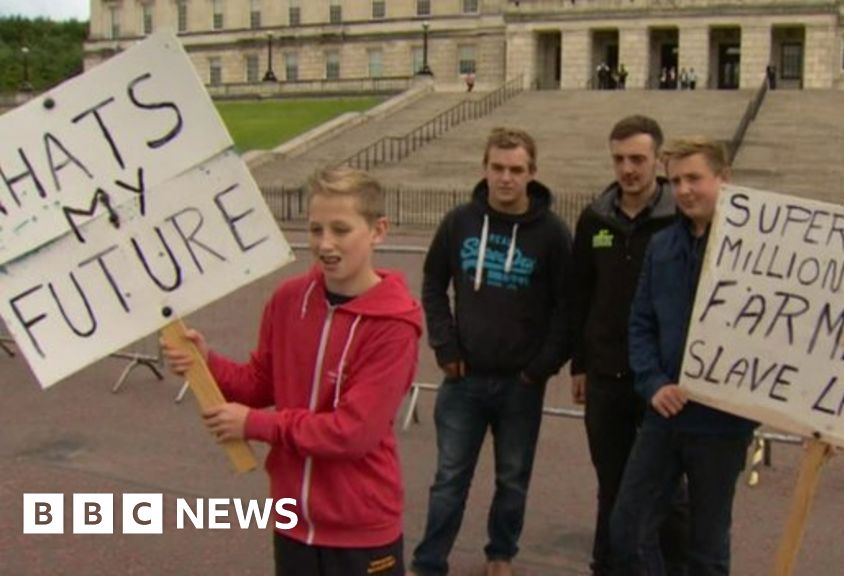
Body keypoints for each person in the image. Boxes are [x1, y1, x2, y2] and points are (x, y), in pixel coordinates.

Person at [162, 168, 423, 576]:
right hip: (293, 522)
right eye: (315, 229)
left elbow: (353, 433)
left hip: (360, 526)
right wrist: (204, 361)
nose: (325, 244)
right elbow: (258, 383)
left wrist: (255, 425)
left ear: (378, 231)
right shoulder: (288, 299)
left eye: (341, 229)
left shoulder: (395, 325)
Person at [409, 127, 572, 576]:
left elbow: (567, 308)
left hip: (522, 383)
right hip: (463, 377)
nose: (505, 178)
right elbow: (432, 285)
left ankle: (501, 554)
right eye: (497, 168)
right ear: (484, 169)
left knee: (512, 479)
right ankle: (429, 561)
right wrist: (444, 345)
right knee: (448, 479)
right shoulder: (460, 221)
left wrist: (542, 366)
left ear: (532, 173)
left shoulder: (554, 234)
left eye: (516, 170)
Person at [610, 137, 757, 576]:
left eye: (695, 178)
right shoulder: (662, 246)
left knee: (707, 546)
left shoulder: (757, 250)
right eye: (675, 181)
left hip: (723, 420)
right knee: (628, 529)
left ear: (723, 179)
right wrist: (653, 382)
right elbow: (640, 323)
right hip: (666, 413)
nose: (684, 190)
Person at [570, 115, 687, 576]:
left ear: (658, 160)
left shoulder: (680, 217)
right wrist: (579, 363)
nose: (628, 169)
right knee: (611, 483)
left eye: (638, 159)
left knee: (670, 487)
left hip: (662, 378)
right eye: (619, 159)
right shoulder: (594, 218)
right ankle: (609, 565)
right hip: (606, 374)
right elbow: (579, 293)